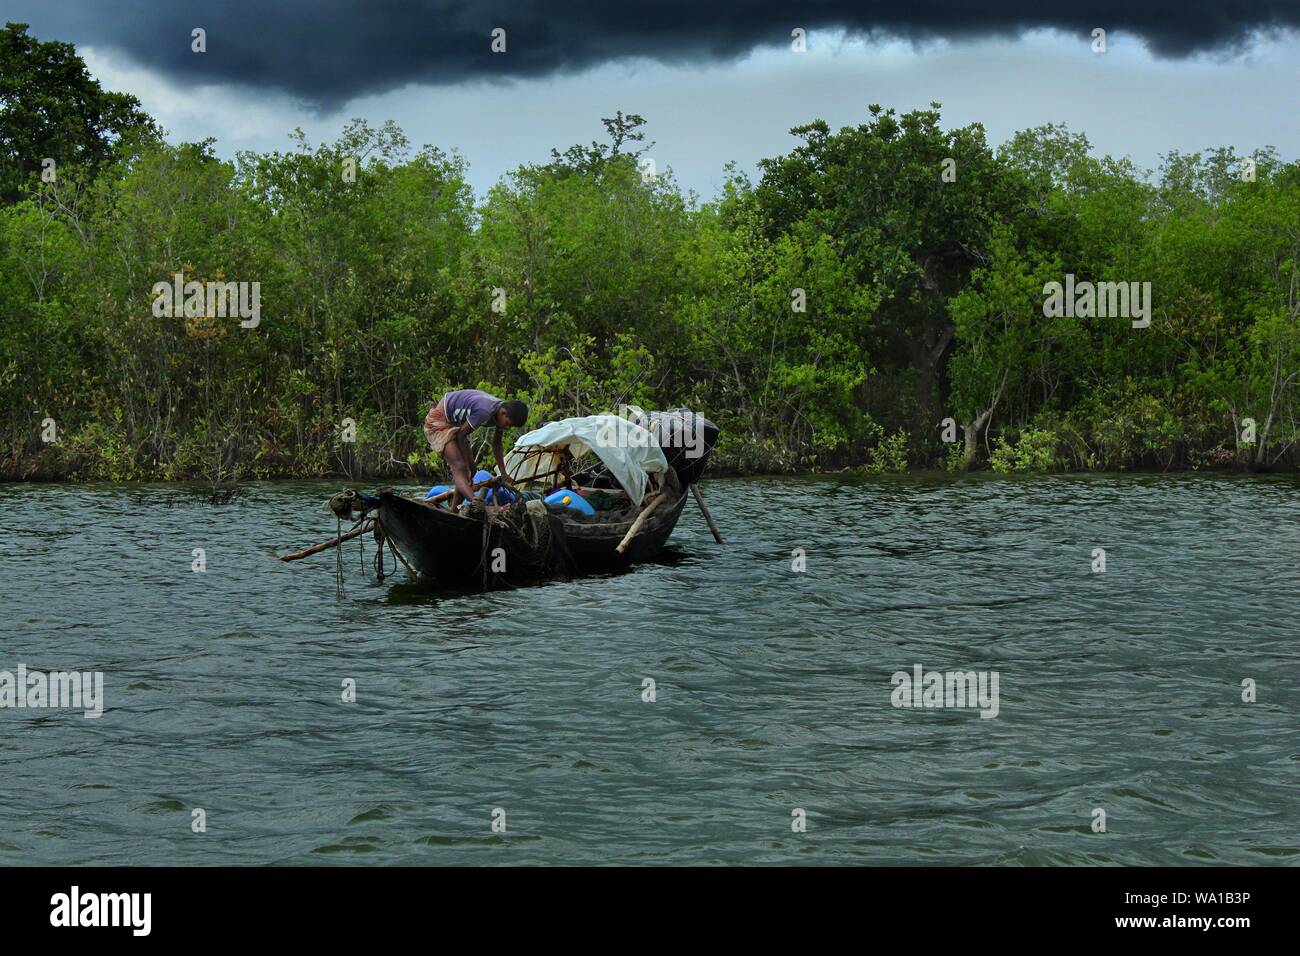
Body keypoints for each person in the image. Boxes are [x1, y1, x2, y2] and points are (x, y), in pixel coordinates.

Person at [423, 389, 528, 508]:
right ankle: (476, 502)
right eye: (508, 424)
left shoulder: (500, 411)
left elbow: (497, 444)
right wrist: (468, 467)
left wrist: (504, 473)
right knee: (460, 467)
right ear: (503, 413)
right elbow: (461, 435)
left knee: (470, 472)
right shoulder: (485, 410)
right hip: (439, 421)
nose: (508, 428)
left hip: (456, 426)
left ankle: (454, 512)